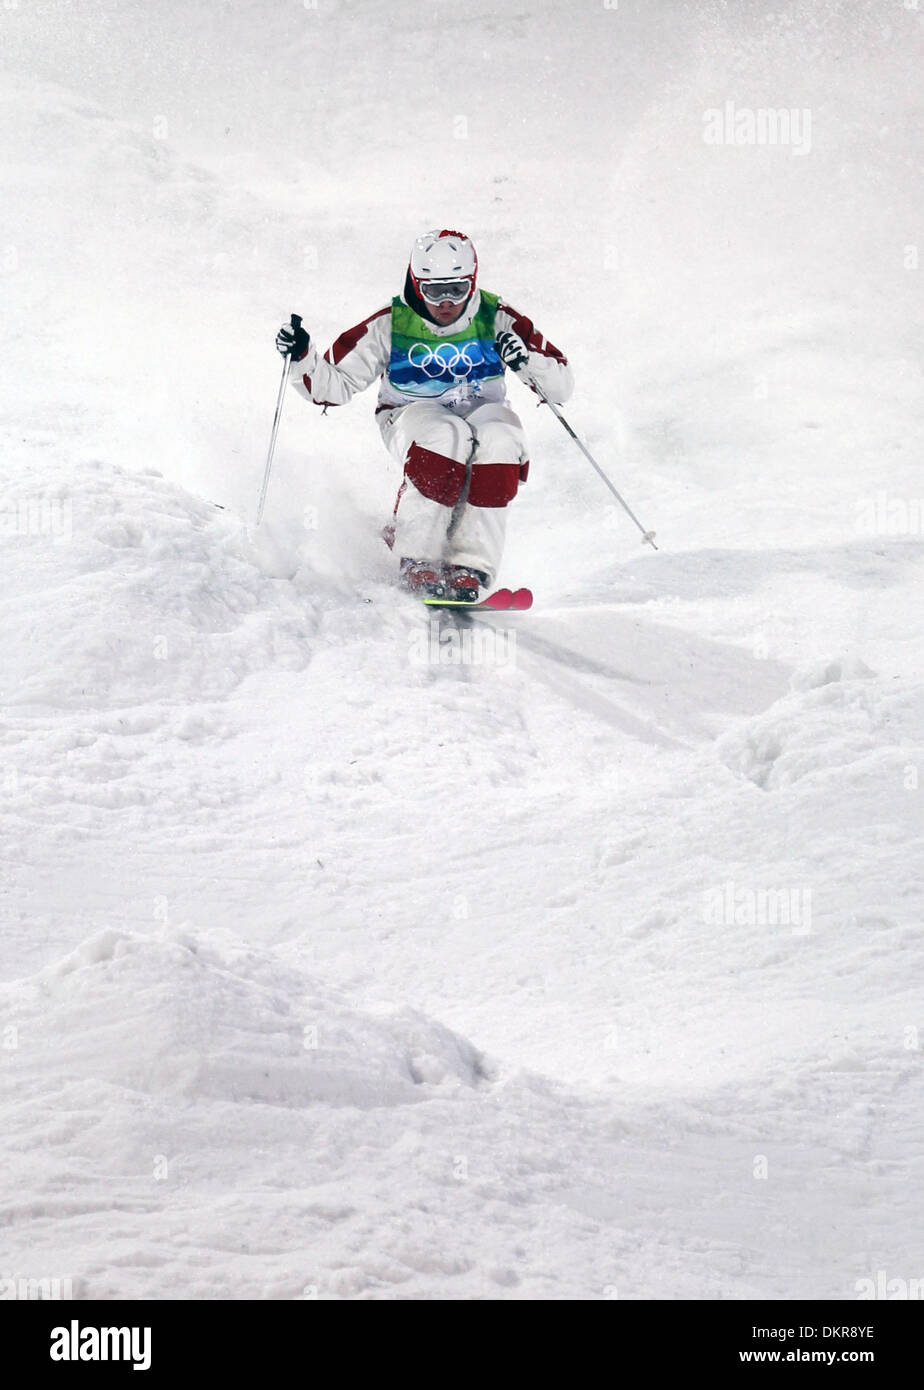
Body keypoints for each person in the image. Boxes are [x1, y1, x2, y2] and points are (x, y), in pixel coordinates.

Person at [275, 229, 573, 601]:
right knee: (447, 435)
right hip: (410, 414)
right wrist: (301, 354)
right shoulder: (391, 323)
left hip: (482, 412)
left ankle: (469, 565)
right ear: (417, 286)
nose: (446, 303)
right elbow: (333, 387)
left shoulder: (497, 317)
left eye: (457, 290)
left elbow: (561, 387)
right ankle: (417, 558)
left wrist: (528, 363)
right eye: (434, 291)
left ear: (473, 281)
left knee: (502, 438)